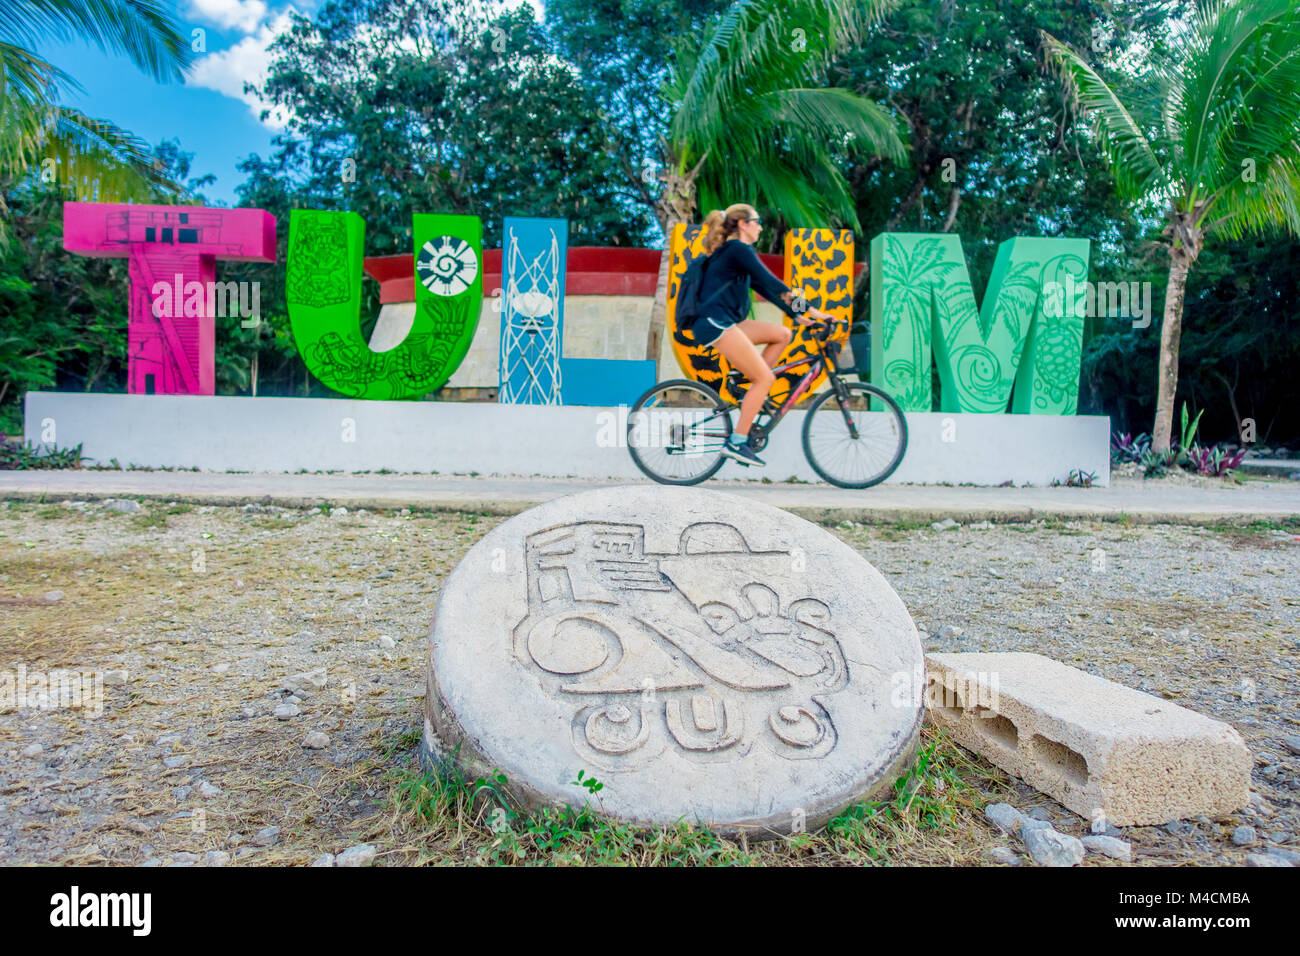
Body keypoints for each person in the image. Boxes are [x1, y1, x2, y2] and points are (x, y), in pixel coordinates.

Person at [691, 203, 835, 466]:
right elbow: (774, 284)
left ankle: (751, 389)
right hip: (716, 324)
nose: (760, 227)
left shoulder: (735, 253)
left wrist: (799, 317)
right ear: (743, 224)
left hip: (725, 322)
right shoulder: (737, 249)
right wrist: (817, 314)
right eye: (757, 222)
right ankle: (737, 442)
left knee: (782, 334)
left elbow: (768, 291)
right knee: (766, 379)